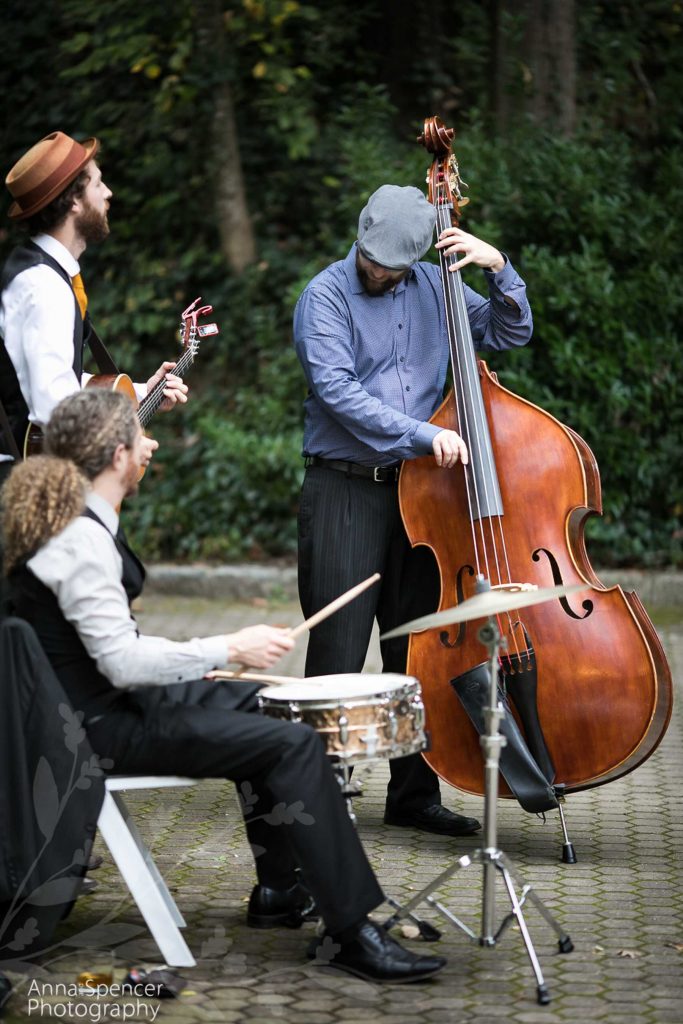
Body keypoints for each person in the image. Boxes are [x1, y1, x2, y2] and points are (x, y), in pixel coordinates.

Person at [1, 388, 447, 984]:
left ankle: (280, 891)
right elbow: (123, 664)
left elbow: (97, 646)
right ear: (116, 456)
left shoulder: (67, 519)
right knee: (293, 742)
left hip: (90, 704)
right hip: (94, 730)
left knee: (265, 703)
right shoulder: (79, 540)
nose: (148, 447)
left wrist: (196, 665)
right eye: (140, 439)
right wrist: (228, 647)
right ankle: (351, 932)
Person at [293, 184, 533, 837]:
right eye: (371, 259)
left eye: (391, 266)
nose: (378, 272)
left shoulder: (436, 287)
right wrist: (425, 435)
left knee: (418, 648)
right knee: (338, 648)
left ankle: (412, 795)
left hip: (422, 499)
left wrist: (496, 265)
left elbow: (511, 331)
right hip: (345, 487)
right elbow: (337, 392)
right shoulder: (324, 296)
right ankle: (316, 798)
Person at [0, 130, 188, 486]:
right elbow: (54, 410)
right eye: (98, 184)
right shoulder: (43, 287)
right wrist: (123, 443)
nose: (108, 193)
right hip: (28, 486)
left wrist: (140, 391)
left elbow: (47, 377)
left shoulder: (45, 275)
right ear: (74, 200)